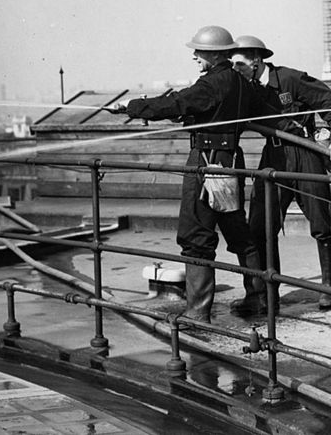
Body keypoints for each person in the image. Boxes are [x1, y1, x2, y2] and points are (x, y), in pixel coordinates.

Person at [106, 25, 262, 324]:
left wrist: (133, 106)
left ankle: (197, 312)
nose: (194, 56)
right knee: (239, 234)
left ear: (214, 54)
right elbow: (204, 109)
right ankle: (258, 300)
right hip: (230, 162)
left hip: (205, 162)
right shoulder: (241, 82)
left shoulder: (212, 83)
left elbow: (176, 102)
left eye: (199, 51)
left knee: (195, 237)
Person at [227, 35, 331, 315]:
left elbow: (328, 100)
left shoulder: (291, 79)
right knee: (260, 226)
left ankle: (330, 290)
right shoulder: (245, 88)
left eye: (239, 63)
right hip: (274, 156)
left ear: (256, 60)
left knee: (321, 224)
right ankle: (267, 296)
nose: (235, 69)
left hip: (305, 156)